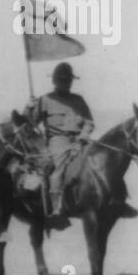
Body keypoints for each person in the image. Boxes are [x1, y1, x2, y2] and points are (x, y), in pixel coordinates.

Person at [24, 61, 101, 229]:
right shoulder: (45, 100)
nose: (65, 83)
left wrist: (83, 136)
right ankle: (57, 209)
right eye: (61, 80)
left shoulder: (78, 100)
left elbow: (89, 122)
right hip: (57, 141)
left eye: (68, 80)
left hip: (80, 139)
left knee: (99, 159)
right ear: (54, 81)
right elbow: (30, 124)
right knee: (57, 169)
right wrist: (29, 109)